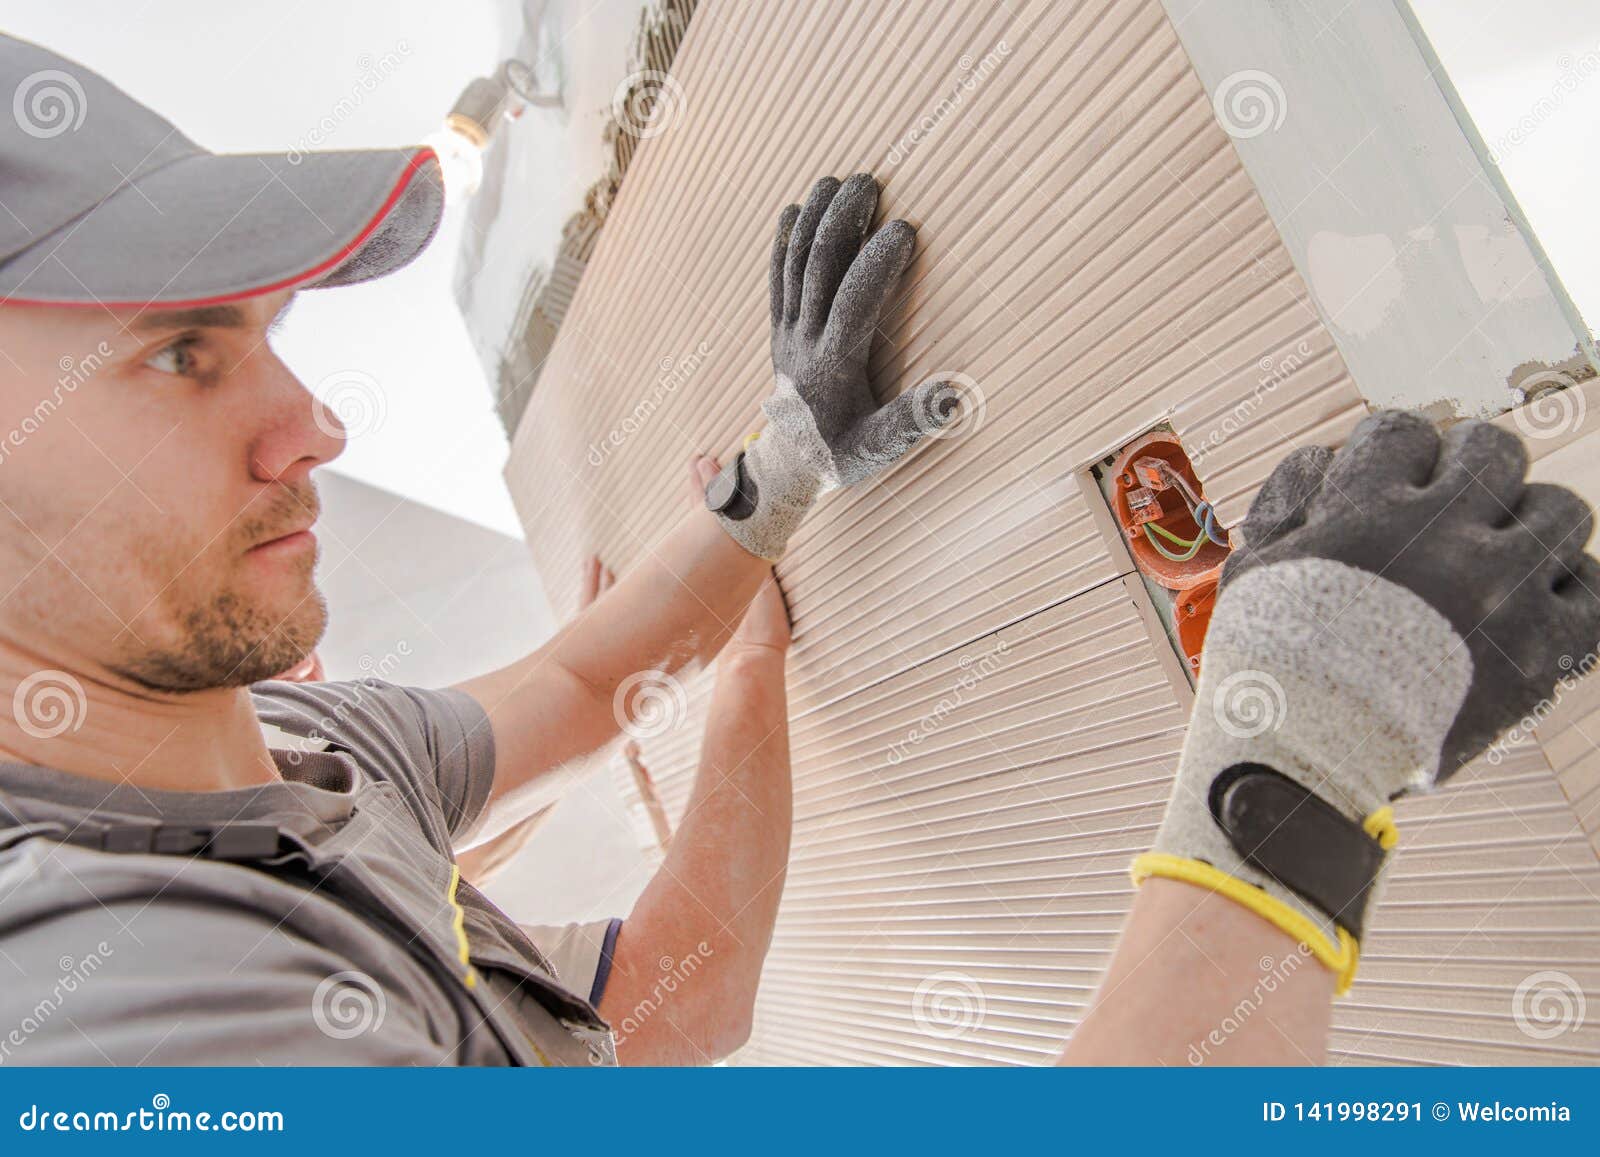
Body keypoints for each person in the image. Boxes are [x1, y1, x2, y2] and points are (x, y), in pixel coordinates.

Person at [0, 35, 937, 1065]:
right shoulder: (117, 1005)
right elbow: (681, 997)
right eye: (181, 354)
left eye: (269, 334)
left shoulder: (305, 739)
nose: (317, 424)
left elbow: (584, 680)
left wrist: (791, 458)